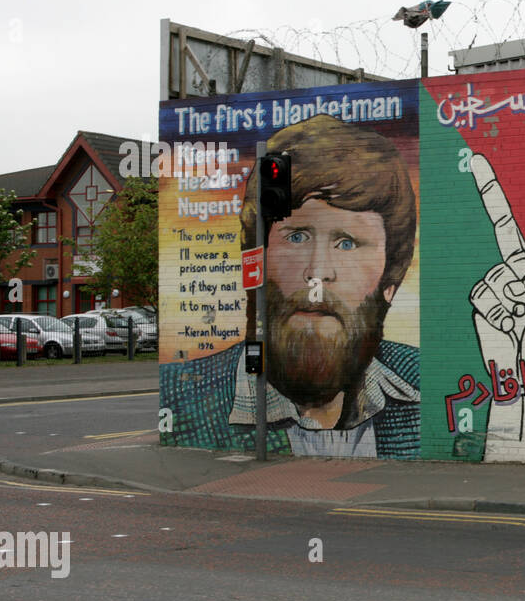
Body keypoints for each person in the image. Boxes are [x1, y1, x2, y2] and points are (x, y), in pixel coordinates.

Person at [161, 114, 419, 458]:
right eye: (297, 237)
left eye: (347, 243)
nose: (317, 272)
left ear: (390, 280)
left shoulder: (427, 382)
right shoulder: (182, 396)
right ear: (258, 258)